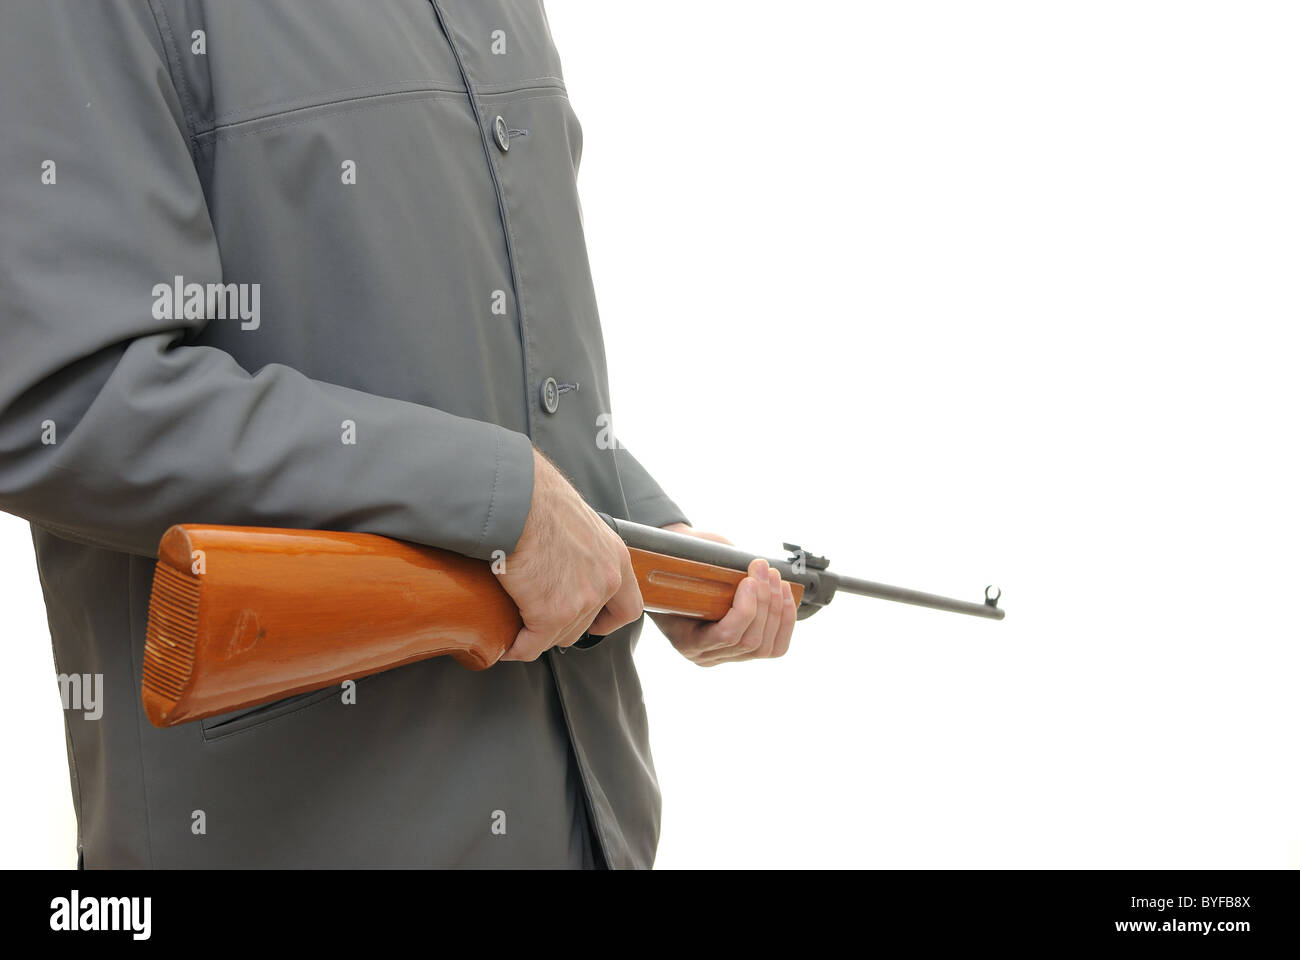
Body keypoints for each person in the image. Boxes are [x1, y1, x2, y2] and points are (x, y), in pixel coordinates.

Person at [0, 0, 795, 868]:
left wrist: (641, 539)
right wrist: (498, 500)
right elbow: (63, 398)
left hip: (584, 815)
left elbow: (499, 373)